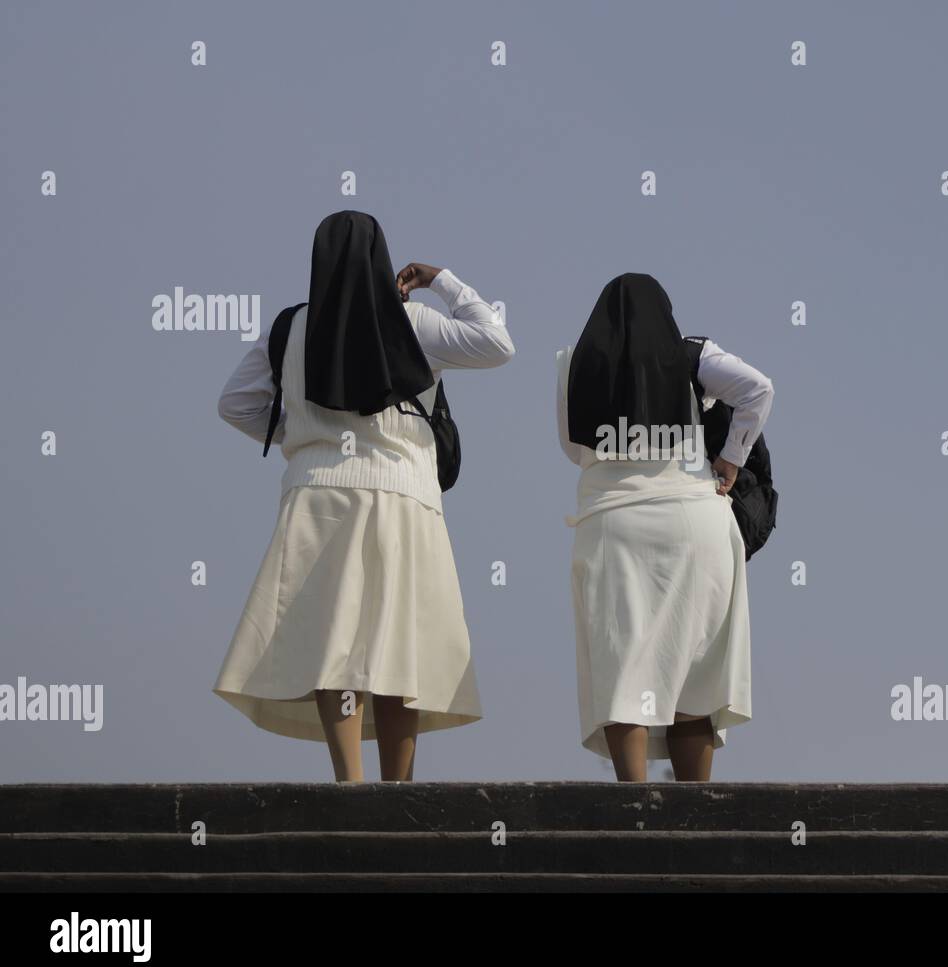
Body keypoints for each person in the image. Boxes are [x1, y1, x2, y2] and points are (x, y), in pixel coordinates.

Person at [213, 210, 514, 782]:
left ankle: (349, 783)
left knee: (336, 648)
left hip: (317, 498)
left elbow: (235, 405)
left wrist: (303, 437)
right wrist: (443, 279)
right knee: (403, 645)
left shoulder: (289, 328)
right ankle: (396, 788)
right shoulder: (414, 323)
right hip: (404, 496)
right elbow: (497, 343)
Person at [557, 273, 773, 781]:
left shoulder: (572, 363)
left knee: (624, 668)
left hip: (613, 522)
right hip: (695, 520)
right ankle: (694, 816)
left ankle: (634, 809)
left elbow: (572, 448)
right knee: (693, 671)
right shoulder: (692, 354)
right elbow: (757, 390)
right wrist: (730, 459)